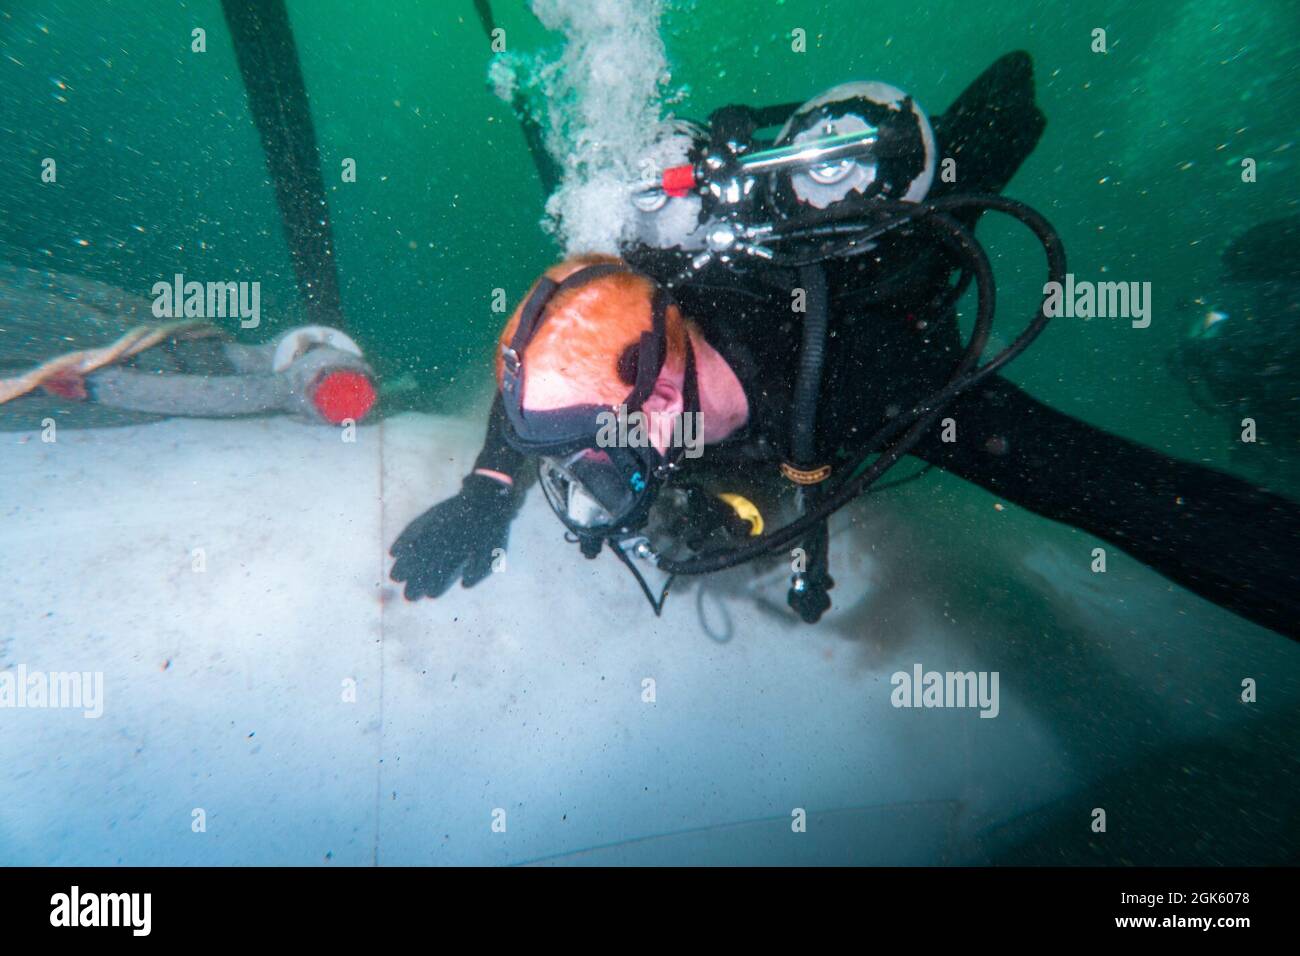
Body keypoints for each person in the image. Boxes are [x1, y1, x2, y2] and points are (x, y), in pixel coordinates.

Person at [390, 52, 1300, 641]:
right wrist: (486, 488)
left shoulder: (864, 377)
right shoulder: (632, 309)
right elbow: (548, 389)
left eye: (593, 440)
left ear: (660, 399)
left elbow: (1105, 487)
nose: (592, 464)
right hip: (722, 307)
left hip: (879, 298)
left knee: (963, 167)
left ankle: (984, 122)